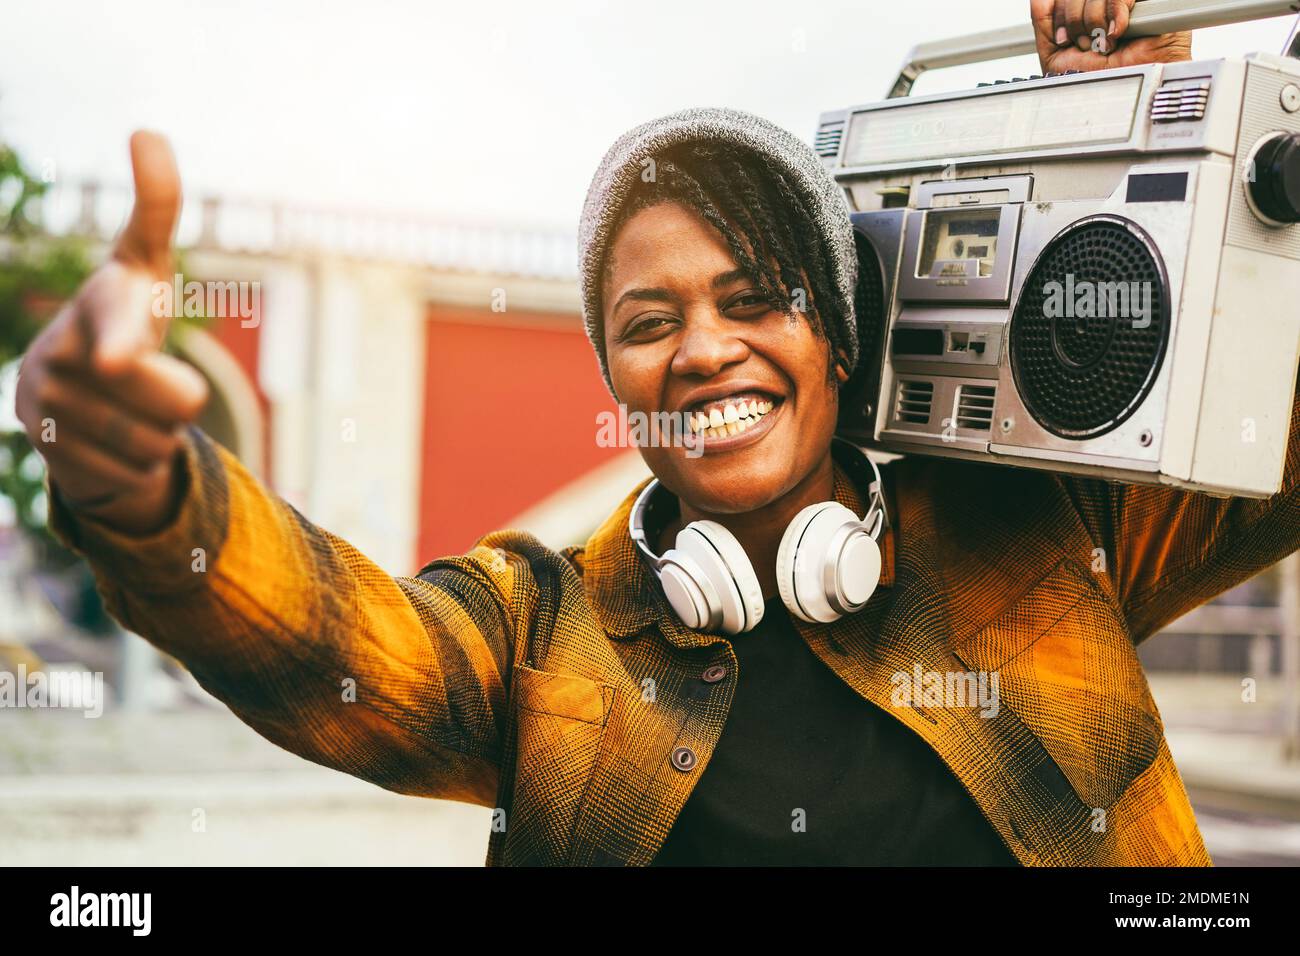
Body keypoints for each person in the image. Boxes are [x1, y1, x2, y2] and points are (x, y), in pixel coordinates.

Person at [13, 1, 1296, 866]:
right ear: (612, 371)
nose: (702, 348)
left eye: (755, 299)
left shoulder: (1047, 525)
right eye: (647, 319)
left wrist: (1169, 213)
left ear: (837, 341)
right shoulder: (539, 635)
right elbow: (332, 639)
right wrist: (142, 490)